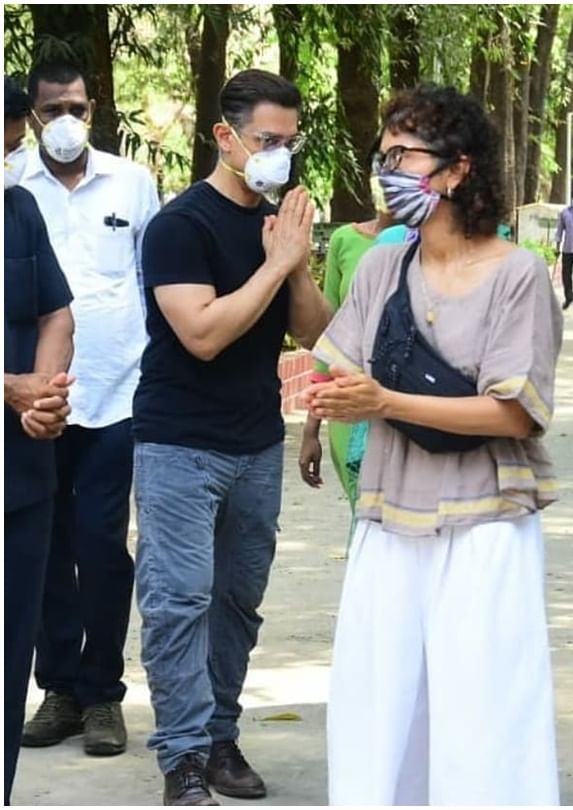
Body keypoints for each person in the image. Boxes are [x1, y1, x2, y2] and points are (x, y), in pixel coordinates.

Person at [305, 84, 562, 806]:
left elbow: (515, 415)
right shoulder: (384, 266)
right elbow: (341, 360)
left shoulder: (518, 273)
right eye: (382, 154)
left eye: (404, 154)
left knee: (482, 711)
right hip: (390, 514)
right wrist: (326, 393)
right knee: (377, 703)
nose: (387, 168)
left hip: (486, 520)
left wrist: (382, 401)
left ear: (456, 170)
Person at [132, 69, 330, 805]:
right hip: (179, 442)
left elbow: (316, 331)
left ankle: (218, 737)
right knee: (179, 599)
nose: (278, 153)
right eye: (265, 140)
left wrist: (295, 262)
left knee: (237, 601)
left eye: (288, 141)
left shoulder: (273, 227)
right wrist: (275, 264)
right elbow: (203, 333)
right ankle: (180, 756)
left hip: (255, 442)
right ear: (225, 137)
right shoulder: (180, 226)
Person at [15, 60, 160, 760]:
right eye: (50, 110)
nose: (63, 120)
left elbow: (153, 278)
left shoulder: (131, 182)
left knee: (102, 546)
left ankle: (104, 694)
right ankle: (60, 689)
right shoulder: (12, 185)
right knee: (44, 550)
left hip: (116, 392)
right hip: (36, 398)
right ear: (33, 116)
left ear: (93, 106)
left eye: (74, 105)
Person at [3, 74, 75, 806]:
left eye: (13, 147)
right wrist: (7, 386)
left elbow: (56, 311)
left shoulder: (19, 212)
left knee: (7, 664)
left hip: (21, 481)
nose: (10, 160)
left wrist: (43, 394)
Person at [299, 135, 408, 524]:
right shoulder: (346, 242)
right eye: (382, 167)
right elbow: (331, 338)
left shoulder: (437, 246)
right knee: (365, 521)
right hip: (350, 407)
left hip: (416, 408)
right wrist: (312, 428)